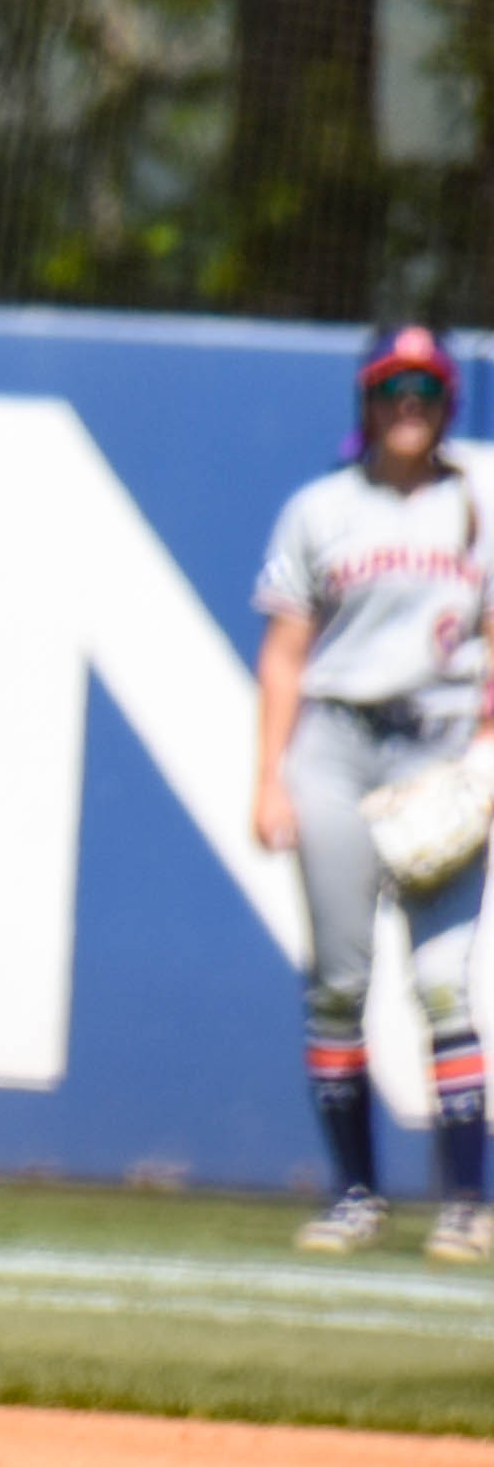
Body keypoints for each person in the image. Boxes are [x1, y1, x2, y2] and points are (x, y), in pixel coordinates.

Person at [250, 326, 494, 1261]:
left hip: (438, 752)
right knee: (338, 984)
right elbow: (285, 655)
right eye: (392, 386)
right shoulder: (320, 508)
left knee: (442, 983)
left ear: (448, 402)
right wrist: (270, 778)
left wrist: (486, 745)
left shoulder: (476, 500)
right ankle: (356, 1194)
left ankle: (466, 1204)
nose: (408, 404)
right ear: (365, 398)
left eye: (425, 388)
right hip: (339, 748)